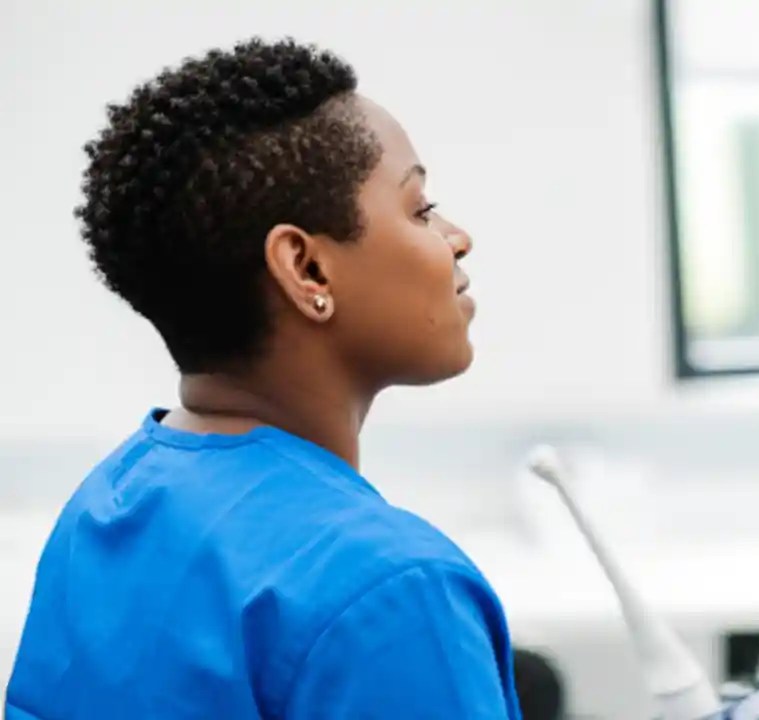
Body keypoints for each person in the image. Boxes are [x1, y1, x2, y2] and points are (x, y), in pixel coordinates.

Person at [5, 38, 523, 719]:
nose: (456, 238)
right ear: (306, 270)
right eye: (421, 209)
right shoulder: (391, 589)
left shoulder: (106, 509)